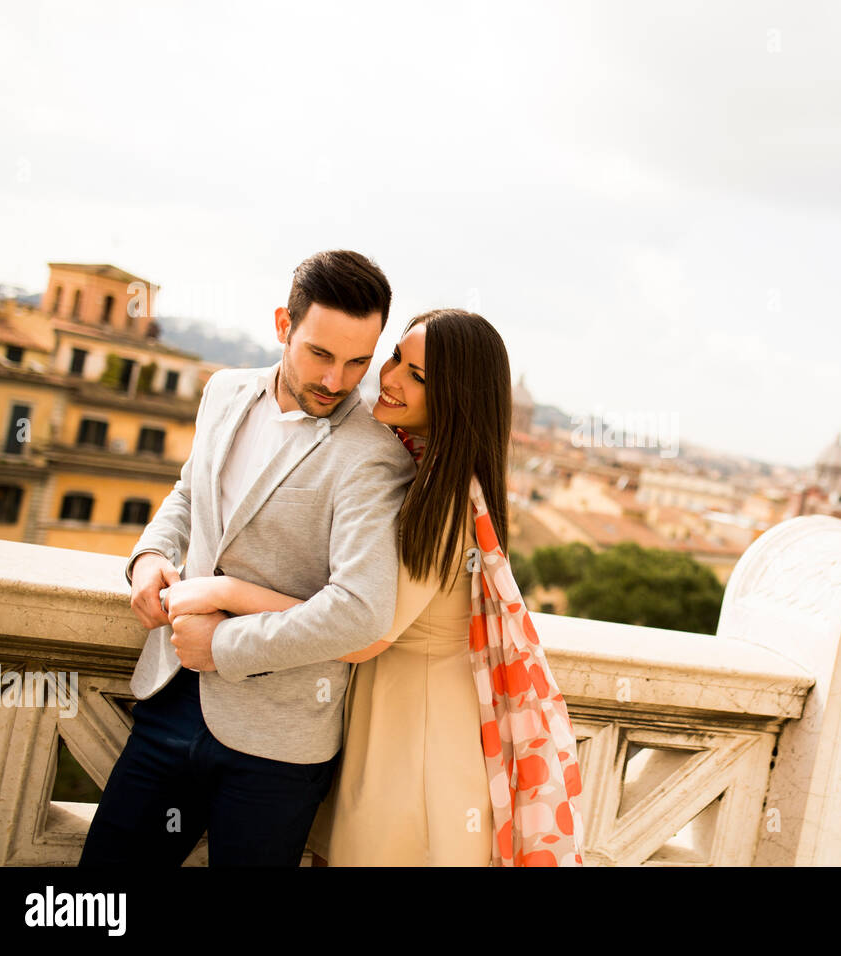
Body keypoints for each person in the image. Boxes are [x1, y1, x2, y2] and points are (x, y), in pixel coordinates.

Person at [161, 309, 585, 866]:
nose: (389, 380)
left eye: (419, 377)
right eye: (395, 360)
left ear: (457, 398)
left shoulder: (444, 496)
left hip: (416, 735)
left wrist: (224, 593)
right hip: (396, 713)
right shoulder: (424, 467)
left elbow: (366, 634)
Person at [79, 250, 412, 867]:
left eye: (358, 362)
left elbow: (361, 612)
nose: (337, 381)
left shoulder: (376, 456)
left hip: (278, 747)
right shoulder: (224, 391)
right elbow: (189, 493)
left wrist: (226, 645)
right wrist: (151, 553)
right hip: (169, 698)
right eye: (320, 353)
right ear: (284, 325)